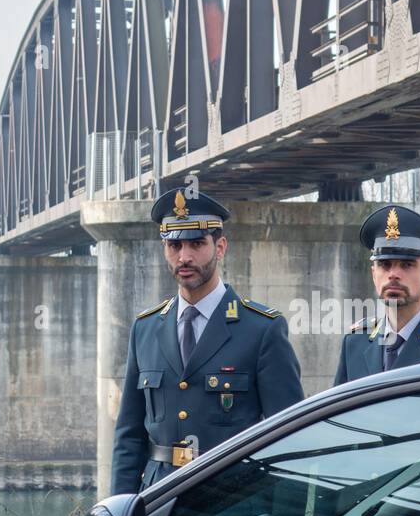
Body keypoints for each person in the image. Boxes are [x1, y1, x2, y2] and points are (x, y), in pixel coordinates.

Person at [111, 188, 304, 493]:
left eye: (197, 244)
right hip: (159, 498)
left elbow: (290, 435)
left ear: (221, 247)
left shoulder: (261, 329)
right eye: (175, 245)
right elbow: (130, 436)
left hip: (233, 502)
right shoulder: (145, 329)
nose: (185, 256)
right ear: (164, 248)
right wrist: (120, 511)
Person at [334, 204, 420, 385]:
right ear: (373, 274)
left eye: (407, 265)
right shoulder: (356, 342)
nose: (393, 274)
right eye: (385, 264)